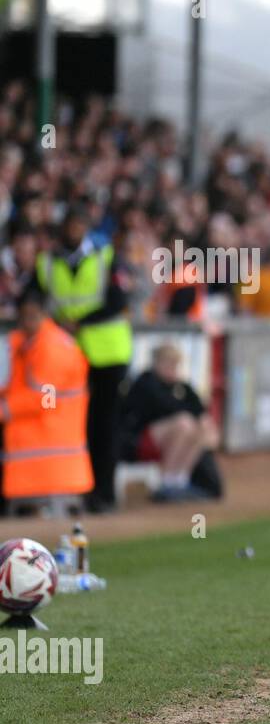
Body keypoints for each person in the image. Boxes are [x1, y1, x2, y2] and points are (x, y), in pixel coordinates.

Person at [36, 207, 132, 513]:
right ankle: (77, 488)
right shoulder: (47, 262)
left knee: (104, 424)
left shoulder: (105, 256)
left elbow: (118, 300)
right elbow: (37, 299)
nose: (75, 230)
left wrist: (80, 322)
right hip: (67, 356)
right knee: (75, 425)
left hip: (106, 352)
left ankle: (103, 492)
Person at [0, 284, 93, 513]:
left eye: (33, 316)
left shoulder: (53, 348)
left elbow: (47, 400)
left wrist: (6, 408)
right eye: (24, 317)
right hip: (39, 453)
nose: (27, 323)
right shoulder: (27, 343)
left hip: (52, 454)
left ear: (44, 313)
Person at [120, 344, 222, 502]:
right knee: (184, 423)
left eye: (175, 364)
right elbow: (166, 407)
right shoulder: (146, 382)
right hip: (137, 443)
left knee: (203, 428)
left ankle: (180, 479)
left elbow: (199, 409)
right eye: (168, 364)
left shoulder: (181, 386)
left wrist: (204, 422)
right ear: (157, 363)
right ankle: (167, 481)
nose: (173, 369)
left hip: (168, 439)